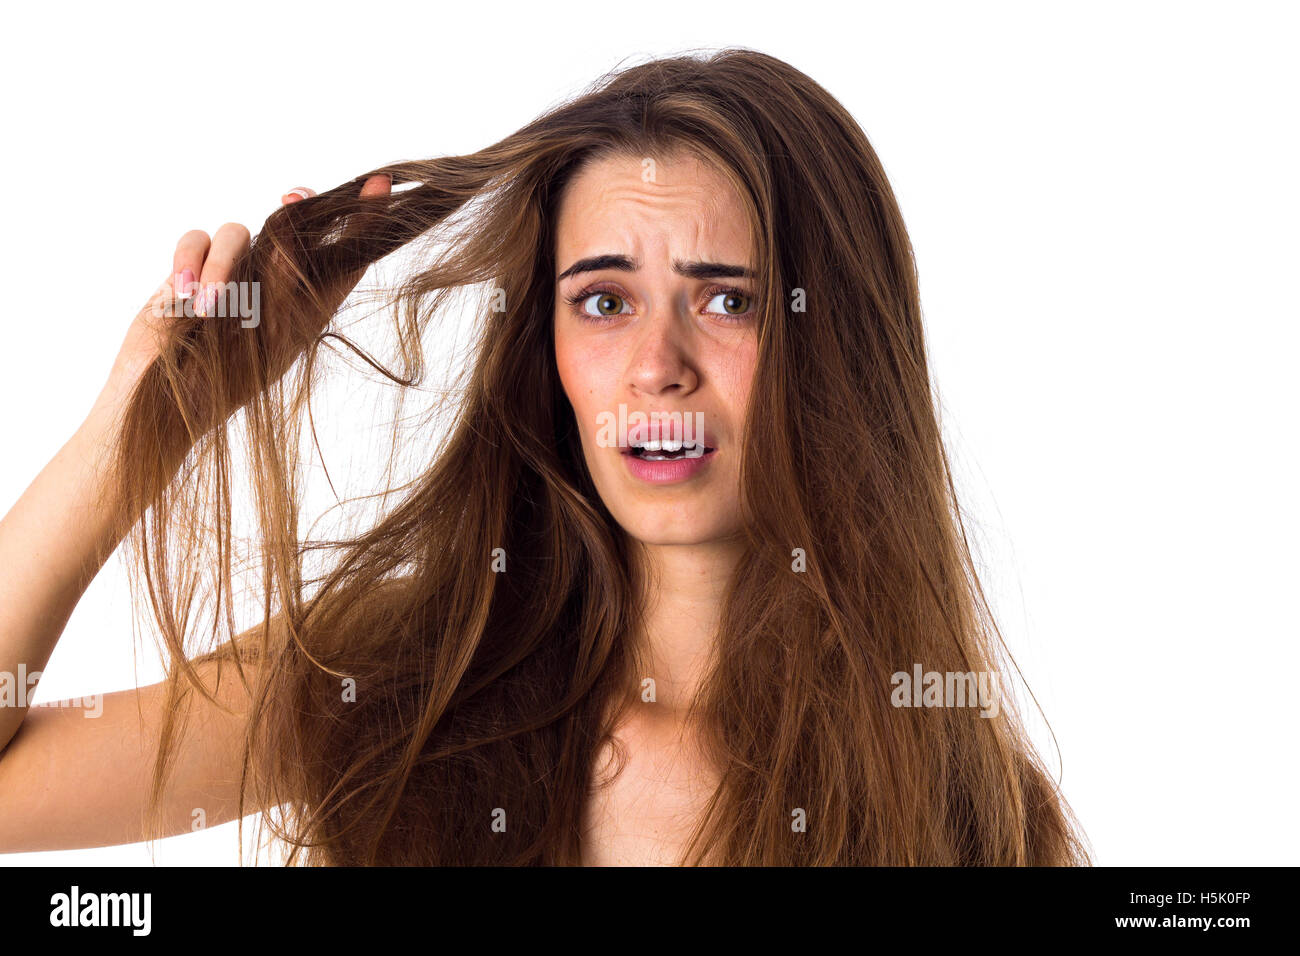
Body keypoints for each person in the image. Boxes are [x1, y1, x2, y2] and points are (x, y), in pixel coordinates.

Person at [0, 48, 1089, 865]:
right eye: (603, 300)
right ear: (546, 344)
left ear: (832, 338)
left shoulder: (972, 817)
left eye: (726, 298)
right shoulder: (387, 683)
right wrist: (144, 429)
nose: (655, 365)